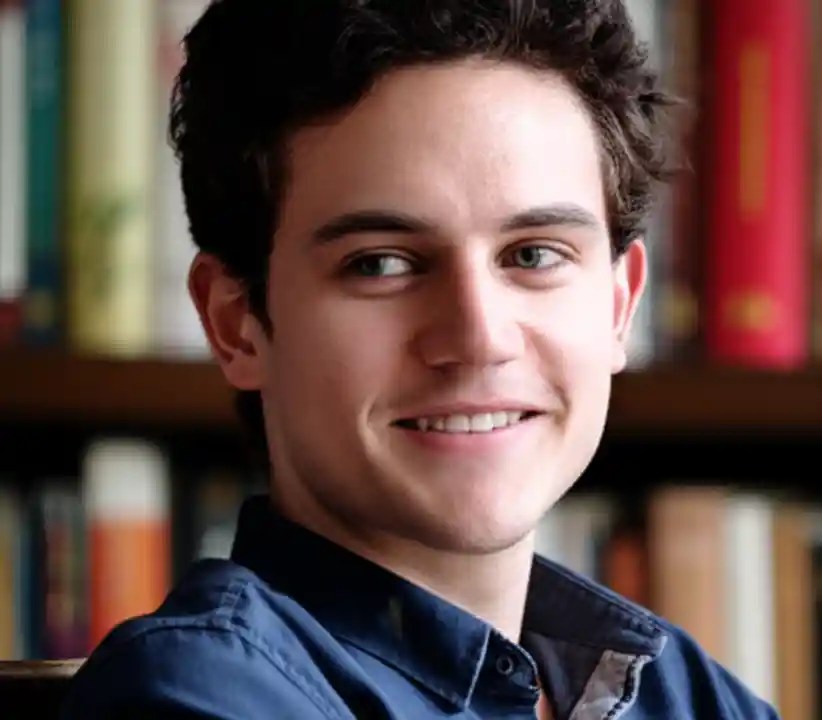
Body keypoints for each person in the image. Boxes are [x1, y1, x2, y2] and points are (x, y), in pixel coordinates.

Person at [59, 1, 778, 718]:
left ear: (619, 304)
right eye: (380, 264)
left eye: (533, 255)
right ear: (237, 323)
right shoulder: (193, 697)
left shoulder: (687, 696)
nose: (478, 336)